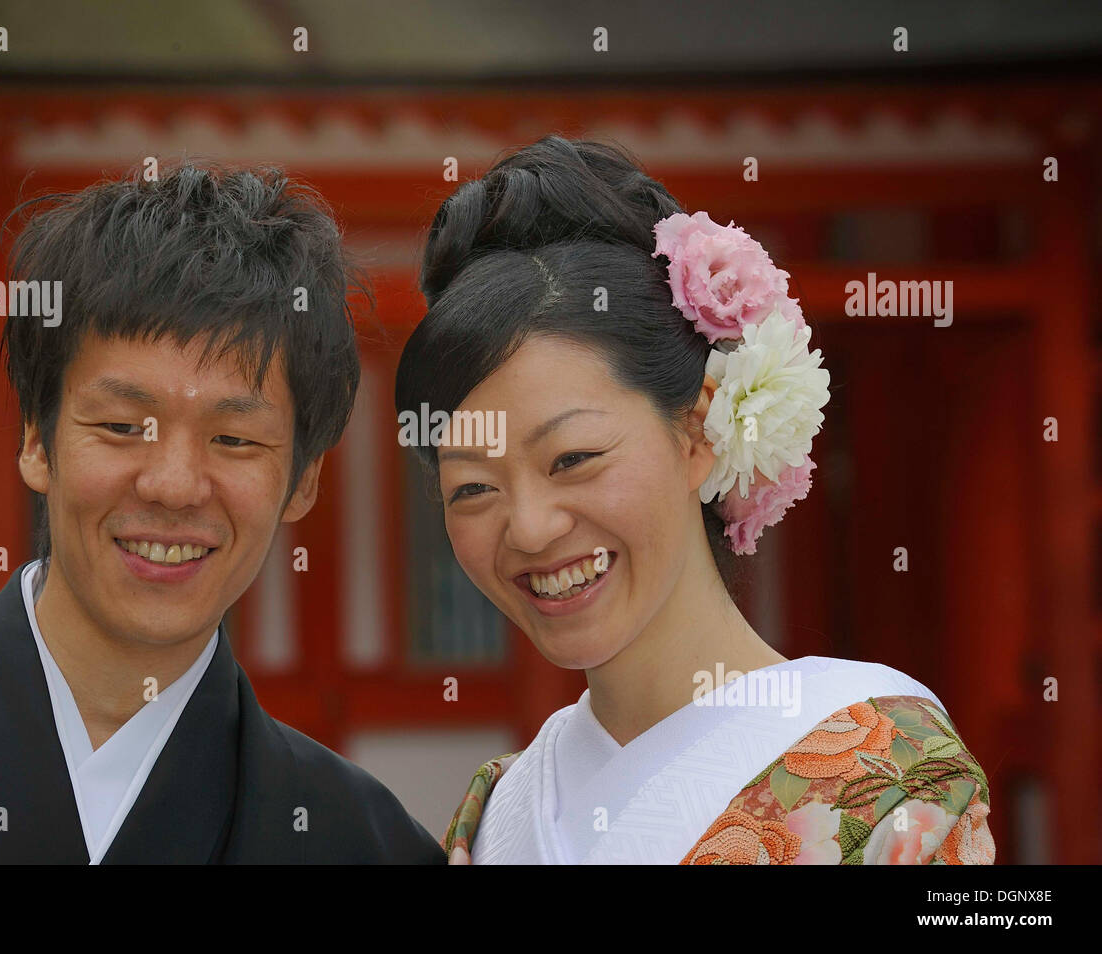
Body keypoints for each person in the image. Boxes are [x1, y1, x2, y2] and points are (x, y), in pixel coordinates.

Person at [0, 160, 444, 864]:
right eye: (120, 425)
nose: (174, 486)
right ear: (38, 441)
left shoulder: (364, 847)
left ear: (302, 481)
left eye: (234, 439)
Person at [395, 136, 995, 865]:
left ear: (700, 428)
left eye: (573, 459)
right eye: (473, 488)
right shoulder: (494, 813)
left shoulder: (887, 777)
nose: (528, 527)